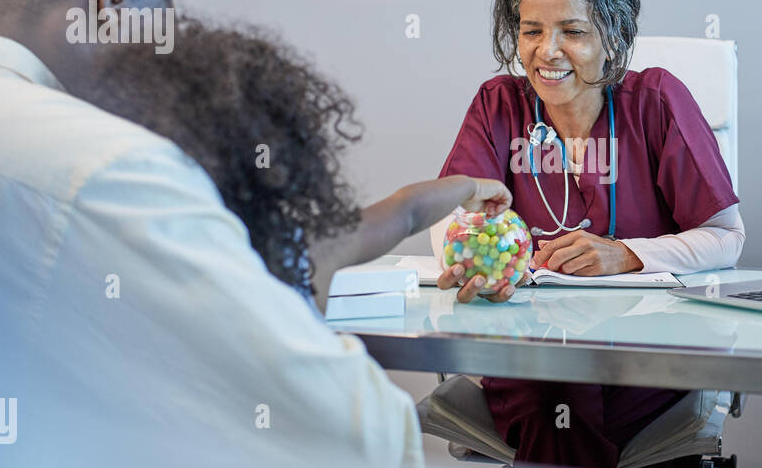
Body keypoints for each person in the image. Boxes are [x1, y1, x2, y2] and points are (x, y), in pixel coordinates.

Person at [0, 0, 489, 468]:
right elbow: (357, 429)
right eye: (157, 34)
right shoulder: (106, 163)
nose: (155, 71)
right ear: (110, 5)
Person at [430, 0, 745, 468]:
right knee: (557, 396)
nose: (546, 51)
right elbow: (450, 219)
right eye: (531, 30)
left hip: (642, 344)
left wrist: (626, 255)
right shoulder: (498, 104)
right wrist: (480, 263)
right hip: (529, 347)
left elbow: (725, 236)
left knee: (565, 411)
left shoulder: (658, 102)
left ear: (613, 38)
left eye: (572, 32)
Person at [70, 16, 513, 303]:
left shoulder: (110, 263)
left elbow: (407, 209)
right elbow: (403, 212)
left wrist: (470, 187)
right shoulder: (295, 255)